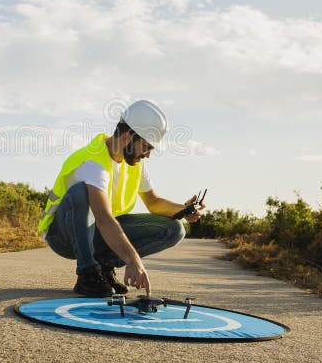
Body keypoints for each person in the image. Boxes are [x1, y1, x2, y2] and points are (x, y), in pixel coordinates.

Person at [39, 100, 206, 297]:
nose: (148, 155)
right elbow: (104, 218)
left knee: (174, 229)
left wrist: (183, 210)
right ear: (128, 136)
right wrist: (132, 259)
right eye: (146, 147)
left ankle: (103, 266)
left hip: (99, 231)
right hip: (64, 237)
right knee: (80, 192)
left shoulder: (134, 163)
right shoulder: (93, 162)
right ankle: (87, 273)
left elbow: (153, 202)